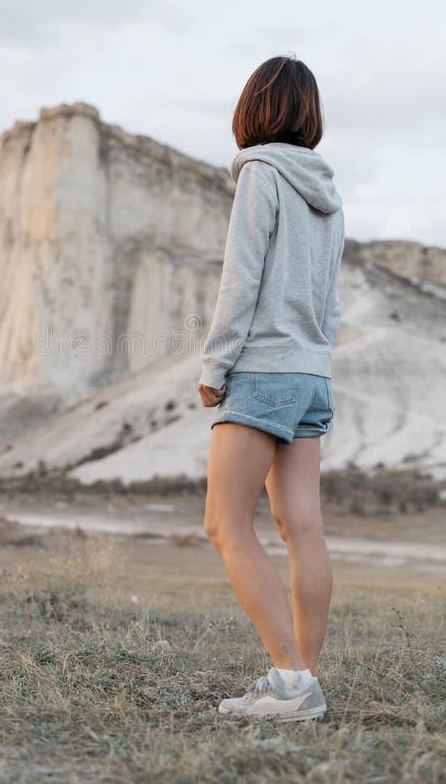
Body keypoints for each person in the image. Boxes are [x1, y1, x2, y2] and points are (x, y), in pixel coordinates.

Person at [197, 54, 345, 722]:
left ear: (253, 108)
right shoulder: (330, 194)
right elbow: (330, 299)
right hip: (312, 371)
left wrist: (215, 364)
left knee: (225, 524)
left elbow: (242, 276)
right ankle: (302, 682)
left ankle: (290, 684)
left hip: (263, 368)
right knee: (301, 526)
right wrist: (315, 357)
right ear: (308, 114)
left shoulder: (260, 174)